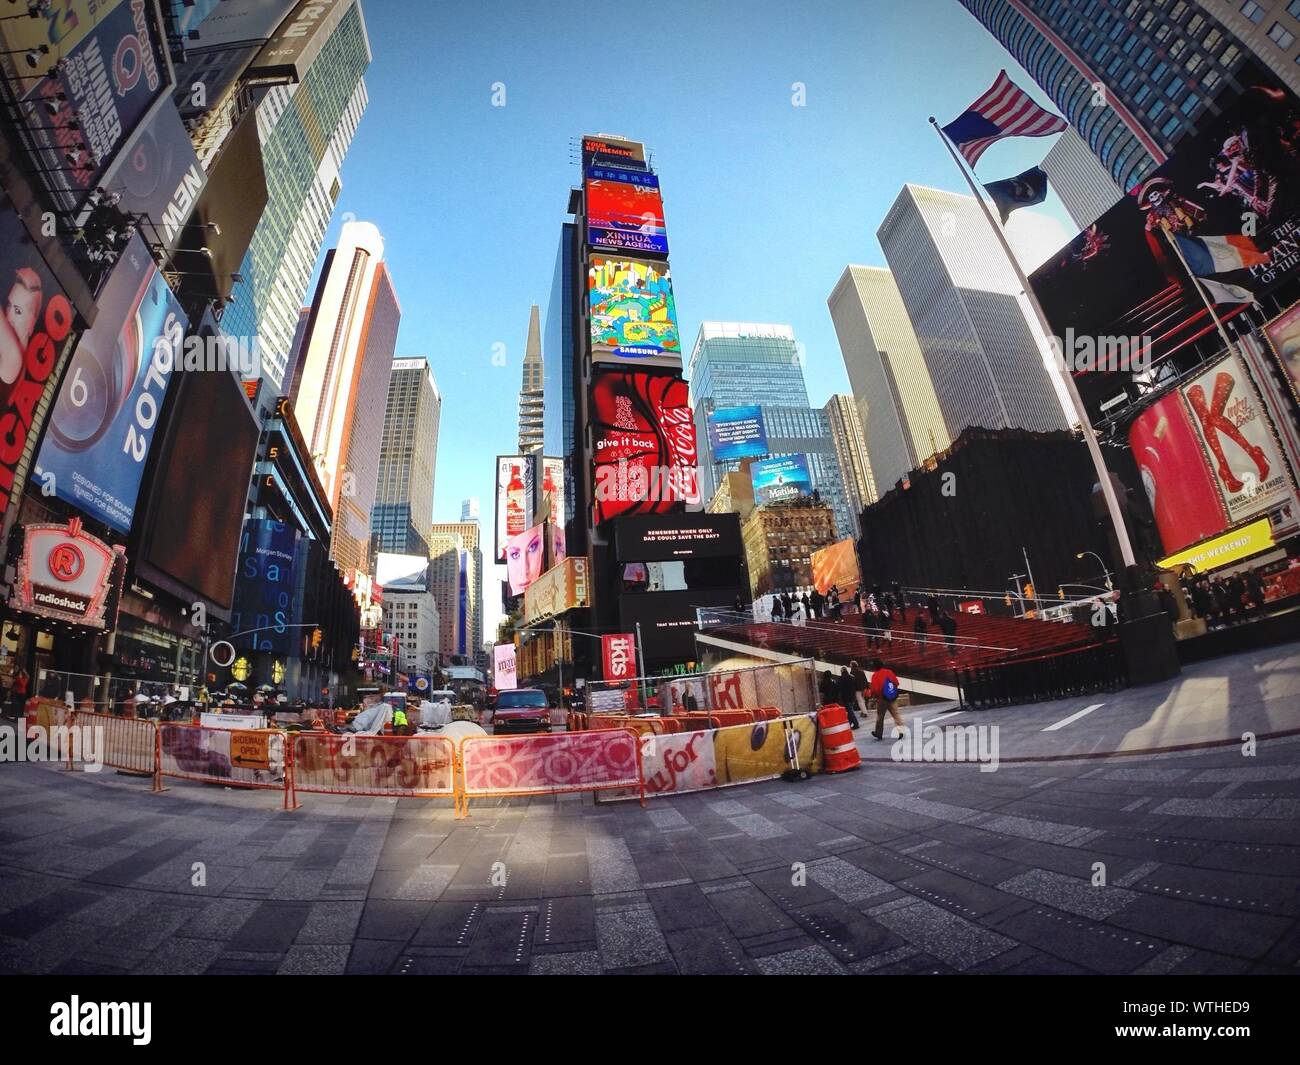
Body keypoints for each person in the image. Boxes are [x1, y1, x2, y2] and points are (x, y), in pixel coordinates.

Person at [869, 658, 905, 741]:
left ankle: (878, 733)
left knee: (880, 717)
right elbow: (896, 682)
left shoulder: (875, 675)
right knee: (896, 714)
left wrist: (875, 697)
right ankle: (901, 731)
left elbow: (875, 689)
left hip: (882, 699)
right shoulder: (889, 672)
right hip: (892, 697)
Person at [849, 659, 869, 729]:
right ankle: (863, 711)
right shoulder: (861, 671)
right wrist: (867, 687)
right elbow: (865, 679)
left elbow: (852, 682)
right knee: (862, 700)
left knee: (860, 701)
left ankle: (865, 712)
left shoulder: (852, 672)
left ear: (852, 665)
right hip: (863, 688)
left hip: (857, 689)